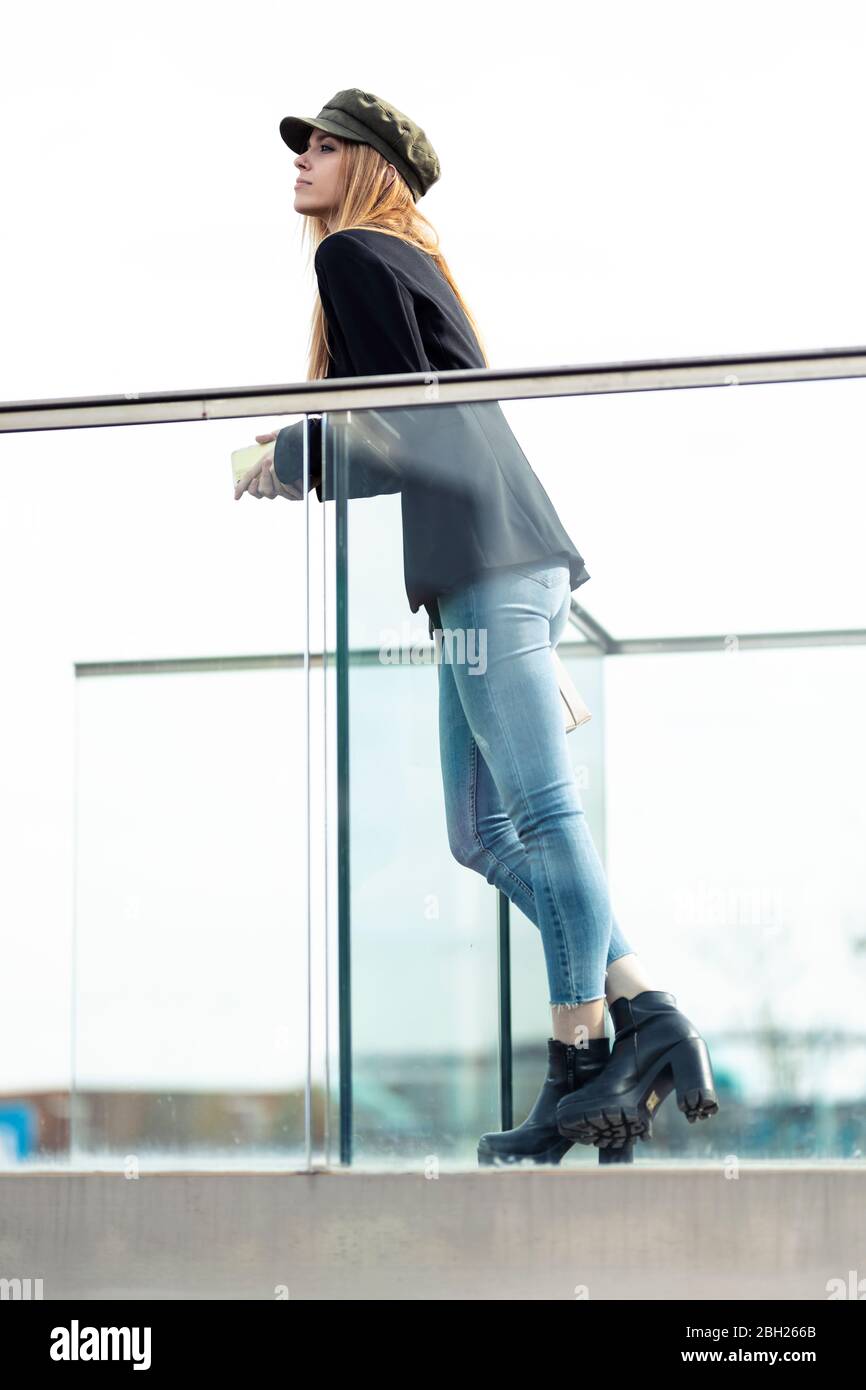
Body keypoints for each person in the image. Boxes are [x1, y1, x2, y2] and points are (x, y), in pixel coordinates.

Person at [234, 88, 720, 1166]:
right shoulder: (398, 261)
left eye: (323, 145)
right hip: (489, 567)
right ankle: (646, 1013)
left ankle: (577, 1055)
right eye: (300, 146)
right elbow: (419, 422)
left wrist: (290, 461)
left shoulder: (353, 254)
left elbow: (402, 424)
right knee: (480, 834)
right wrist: (300, 458)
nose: (301, 160)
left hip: (492, 567)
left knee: (541, 813)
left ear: (370, 166)